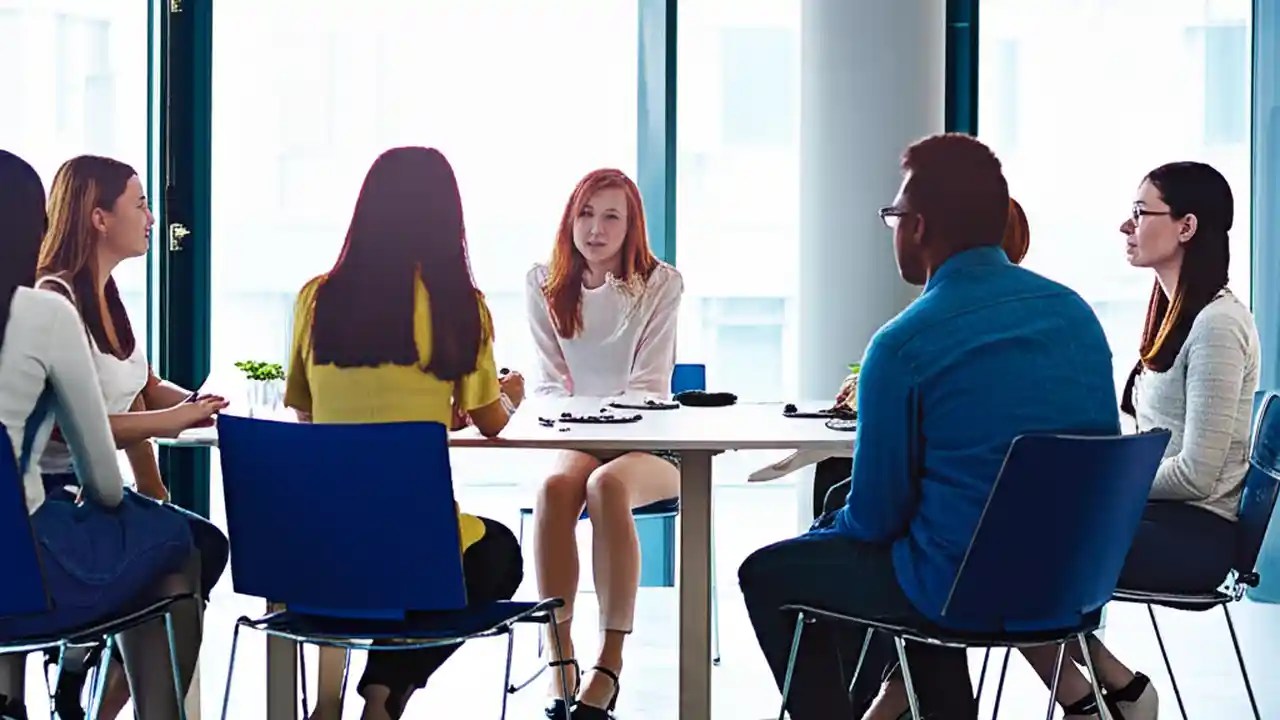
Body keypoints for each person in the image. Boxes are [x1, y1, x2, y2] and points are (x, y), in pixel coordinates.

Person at [737, 134, 1120, 720]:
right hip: (1071, 584)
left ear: (918, 228)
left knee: (769, 574)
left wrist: (825, 532)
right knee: (919, 540)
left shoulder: (903, 344)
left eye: (894, 216)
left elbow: (876, 518)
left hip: (960, 589)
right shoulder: (1076, 314)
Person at [283, 146, 526, 720]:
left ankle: (339, 701)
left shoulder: (317, 298)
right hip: (418, 543)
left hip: (321, 544)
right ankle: (383, 690)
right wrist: (510, 392)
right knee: (497, 556)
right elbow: (491, 421)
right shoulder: (461, 307)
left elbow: (308, 416)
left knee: (409, 559)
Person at [1016, 162, 1258, 720]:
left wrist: (1100, 483)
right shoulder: (1174, 313)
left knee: (1011, 546)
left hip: (1196, 533)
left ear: (1186, 227)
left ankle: (1098, 697)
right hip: (1164, 518)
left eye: (1140, 213)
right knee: (1007, 535)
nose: (1126, 227)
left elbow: (1196, 473)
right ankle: (1115, 691)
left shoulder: (1218, 326)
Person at [0, 150, 209, 720]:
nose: (152, 217)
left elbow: (139, 386)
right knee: (181, 549)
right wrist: (163, 440)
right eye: (141, 204)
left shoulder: (99, 300)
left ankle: (76, 684)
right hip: (38, 538)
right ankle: (99, 687)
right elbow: (101, 477)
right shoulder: (48, 311)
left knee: (169, 544)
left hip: (19, 542)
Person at [527, 168, 683, 719]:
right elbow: (548, 386)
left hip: (650, 443)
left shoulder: (660, 283)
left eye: (611, 216)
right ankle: (560, 658)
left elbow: (648, 388)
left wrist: (589, 411)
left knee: (607, 486)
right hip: (580, 436)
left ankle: (609, 663)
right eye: (586, 214)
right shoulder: (544, 283)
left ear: (631, 224)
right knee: (554, 487)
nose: (595, 229)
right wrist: (582, 417)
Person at [812, 195, 1033, 518]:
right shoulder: (1057, 321)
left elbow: (875, 513)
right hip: (1038, 512)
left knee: (836, 486)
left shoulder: (919, 335)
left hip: (959, 516)